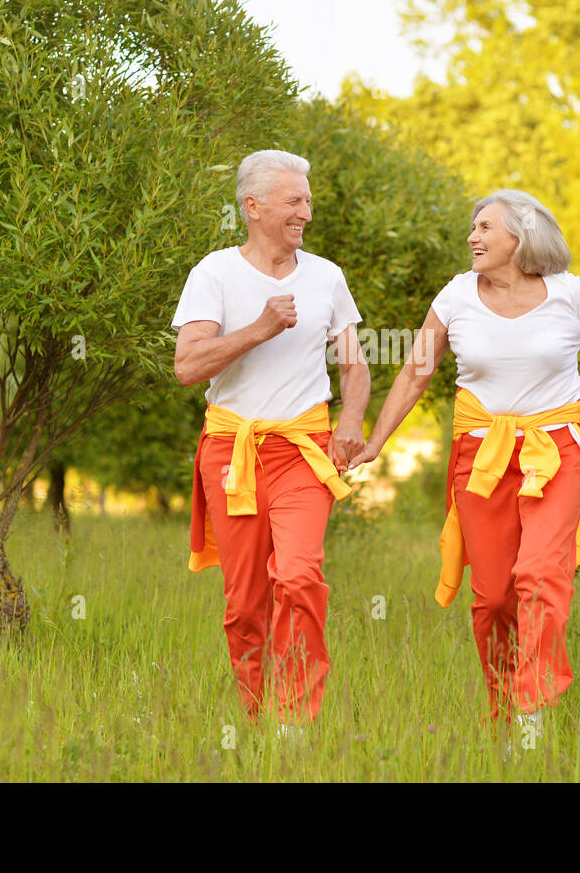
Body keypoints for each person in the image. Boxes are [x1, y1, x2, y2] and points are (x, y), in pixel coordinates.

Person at [348, 190, 580, 730]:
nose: (472, 238)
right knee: (495, 595)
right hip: (481, 457)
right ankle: (505, 714)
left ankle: (533, 709)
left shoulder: (571, 294)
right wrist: (376, 441)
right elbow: (415, 373)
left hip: (557, 450)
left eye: (484, 228)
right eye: (472, 229)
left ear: (520, 237)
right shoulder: (455, 297)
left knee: (541, 573)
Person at [173, 149, 370, 731]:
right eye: (294, 200)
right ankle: (256, 715)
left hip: (303, 451)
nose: (306, 211)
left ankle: (294, 725)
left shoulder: (326, 276)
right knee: (244, 603)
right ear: (253, 207)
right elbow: (187, 366)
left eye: (307, 200)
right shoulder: (214, 273)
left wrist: (353, 418)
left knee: (300, 576)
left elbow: (353, 365)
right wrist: (260, 328)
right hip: (231, 452)